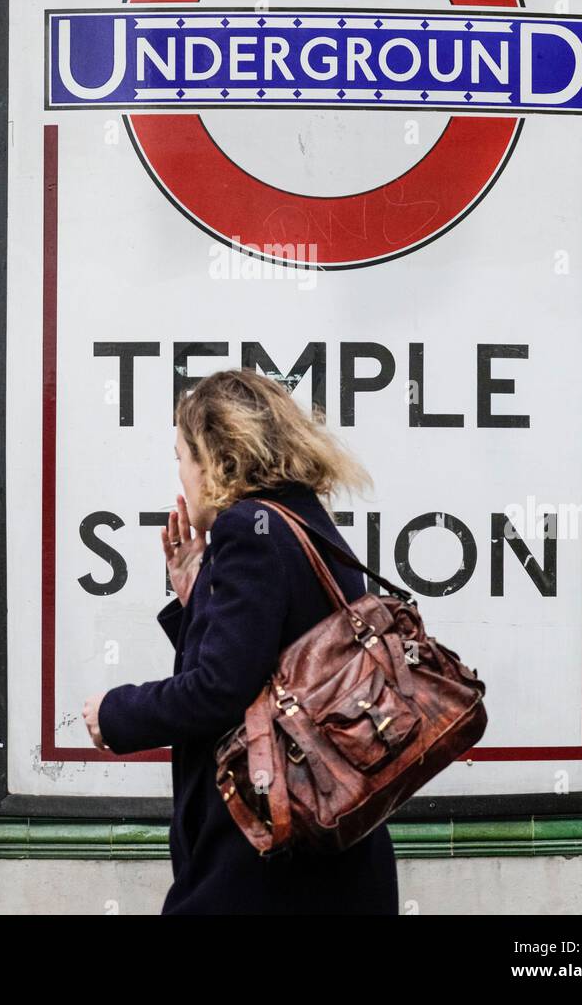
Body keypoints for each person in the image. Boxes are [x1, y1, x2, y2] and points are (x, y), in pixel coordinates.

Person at [81, 367, 400, 916]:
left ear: (216, 458)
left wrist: (115, 713)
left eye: (181, 455)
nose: (180, 474)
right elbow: (277, 664)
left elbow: (219, 690)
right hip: (328, 845)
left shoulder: (248, 529)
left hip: (270, 857)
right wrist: (196, 599)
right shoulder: (298, 517)